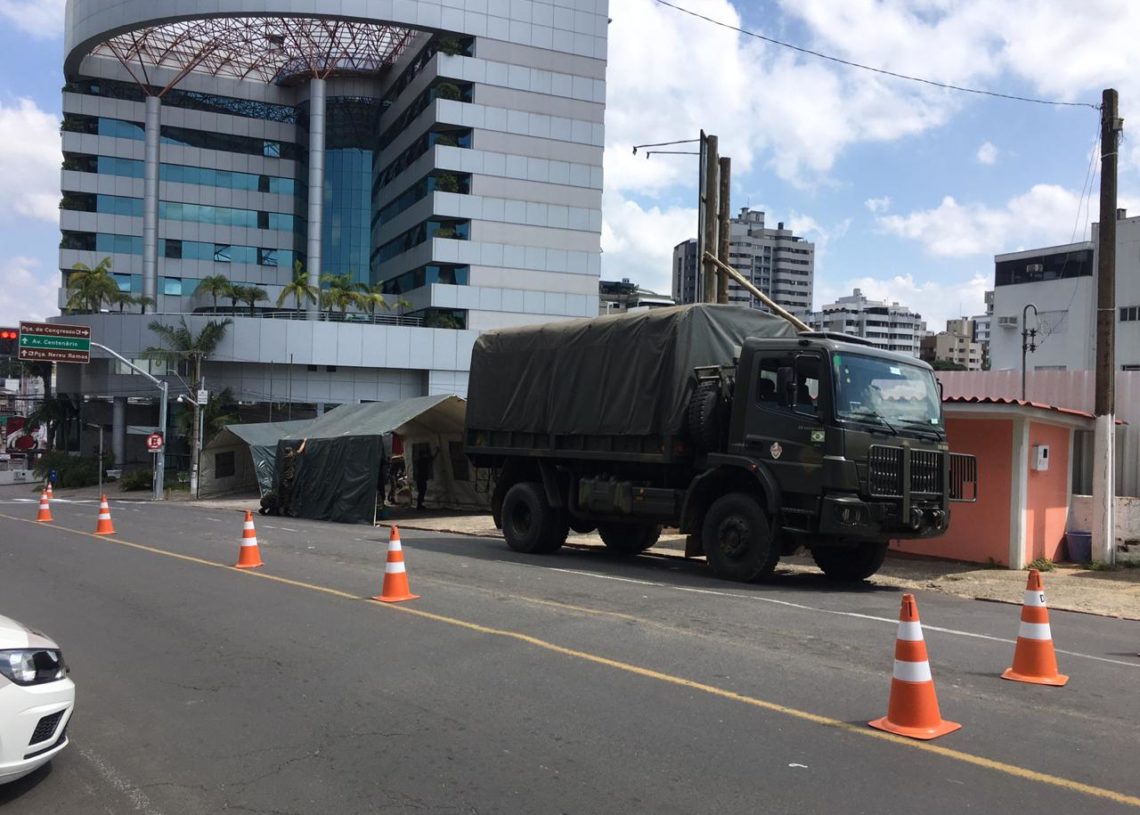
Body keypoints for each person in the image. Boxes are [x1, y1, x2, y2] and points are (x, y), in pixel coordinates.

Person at [413, 443, 437, 510]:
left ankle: (419, 504)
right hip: (422, 478)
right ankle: (419, 505)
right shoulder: (423, 460)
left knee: (421, 491)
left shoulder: (420, 460)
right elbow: (432, 458)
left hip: (419, 478)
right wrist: (437, 452)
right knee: (422, 491)